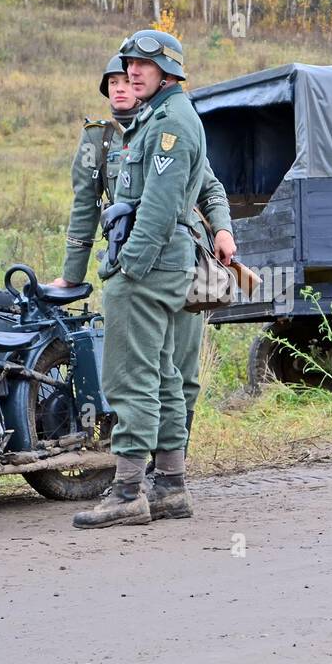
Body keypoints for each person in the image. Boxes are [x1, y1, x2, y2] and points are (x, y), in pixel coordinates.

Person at [49, 54, 235, 491]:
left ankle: (167, 473)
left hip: (178, 258)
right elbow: (85, 209)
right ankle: (154, 475)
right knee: (143, 368)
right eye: (112, 81)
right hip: (134, 252)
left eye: (128, 79)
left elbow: (207, 185)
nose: (121, 87)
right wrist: (73, 275)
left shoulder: (168, 124)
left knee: (179, 370)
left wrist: (223, 228)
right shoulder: (100, 140)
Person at [72, 30, 209, 529]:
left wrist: (128, 266)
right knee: (167, 378)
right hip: (169, 264)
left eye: (143, 66)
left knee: (131, 378)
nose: (131, 71)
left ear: (169, 73)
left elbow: (160, 205)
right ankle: (171, 486)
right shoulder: (163, 118)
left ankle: (128, 491)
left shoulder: (170, 124)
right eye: (128, 64)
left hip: (149, 266)